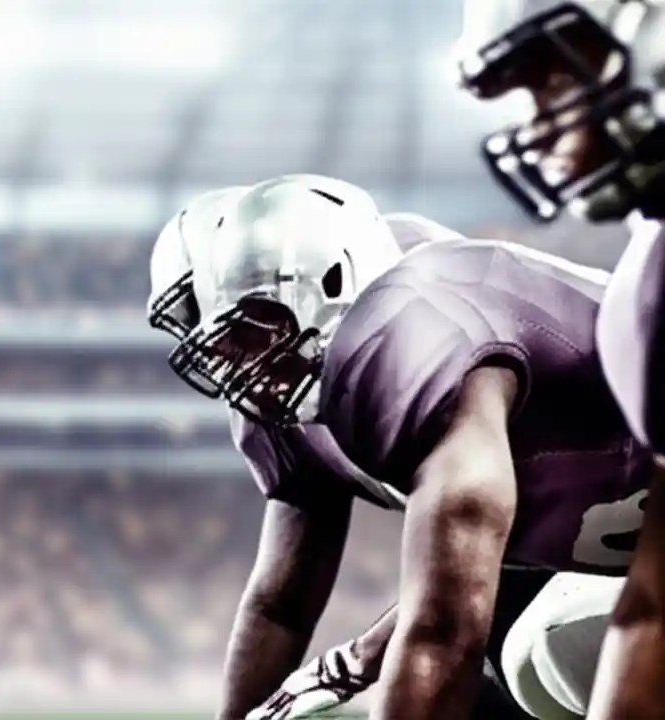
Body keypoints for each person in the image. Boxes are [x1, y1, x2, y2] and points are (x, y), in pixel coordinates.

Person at [165, 174, 649, 720]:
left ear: (331, 282)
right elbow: (282, 605)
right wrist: (357, 658)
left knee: (547, 651)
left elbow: (446, 627)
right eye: (217, 341)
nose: (233, 363)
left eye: (252, 330)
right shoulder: (293, 400)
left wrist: (363, 657)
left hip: (633, 537)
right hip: (623, 544)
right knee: (529, 661)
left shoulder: (420, 333)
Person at [454, 1, 665, 717]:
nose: (541, 123)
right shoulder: (647, 294)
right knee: (550, 650)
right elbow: (653, 600)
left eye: (554, 78)